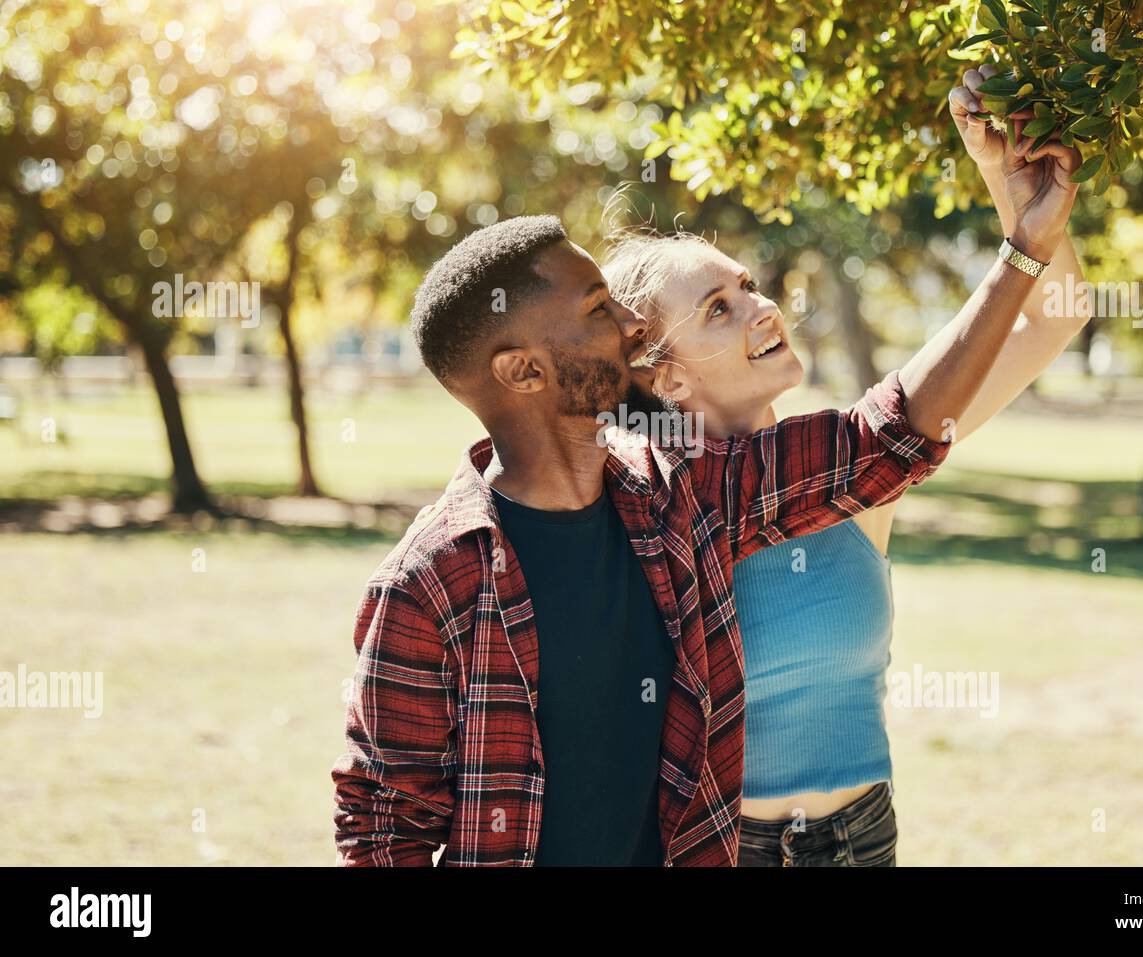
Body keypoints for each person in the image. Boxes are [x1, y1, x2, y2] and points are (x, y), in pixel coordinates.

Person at [330, 88, 1081, 864]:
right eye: (598, 310)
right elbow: (384, 830)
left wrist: (1023, 242)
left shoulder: (677, 498)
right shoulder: (428, 585)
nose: (627, 325)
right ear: (523, 370)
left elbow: (884, 436)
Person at [600, 64, 1091, 866]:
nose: (763, 307)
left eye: (748, 286)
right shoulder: (640, 510)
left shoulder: (854, 467)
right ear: (667, 376)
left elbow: (1052, 318)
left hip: (864, 840)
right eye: (718, 308)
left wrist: (1009, 188)